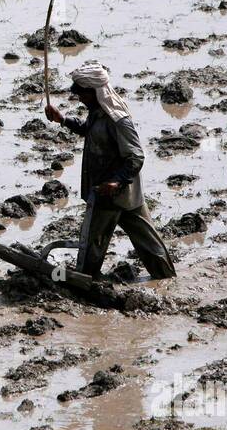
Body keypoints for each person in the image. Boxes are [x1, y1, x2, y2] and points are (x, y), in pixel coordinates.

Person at [44, 62, 176, 280]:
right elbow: (89, 130)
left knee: (92, 243)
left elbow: (136, 155)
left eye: (83, 95)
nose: (80, 99)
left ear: (95, 92)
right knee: (148, 241)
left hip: (109, 193)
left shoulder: (118, 120)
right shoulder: (99, 112)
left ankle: (84, 282)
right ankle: (165, 277)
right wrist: (63, 119)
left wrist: (117, 181)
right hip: (129, 195)